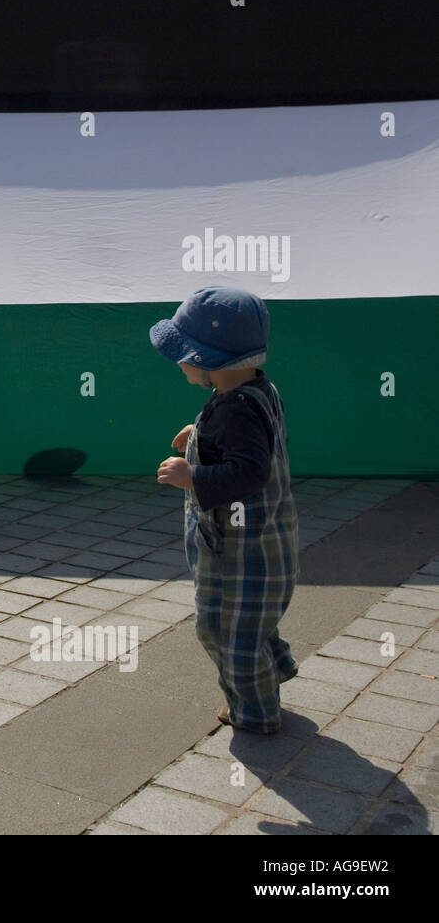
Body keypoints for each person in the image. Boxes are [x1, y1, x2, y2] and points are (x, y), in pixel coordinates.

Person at [149, 286, 300, 734]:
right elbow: (249, 439)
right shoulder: (253, 389)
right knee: (251, 619)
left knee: (222, 627)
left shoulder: (236, 408)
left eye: (183, 355)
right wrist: (199, 432)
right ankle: (271, 672)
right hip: (263, 538)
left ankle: (254, 712)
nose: (180, 364)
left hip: (241, 547)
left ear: (209, 358)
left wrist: (192, 475)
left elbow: (249, 472)